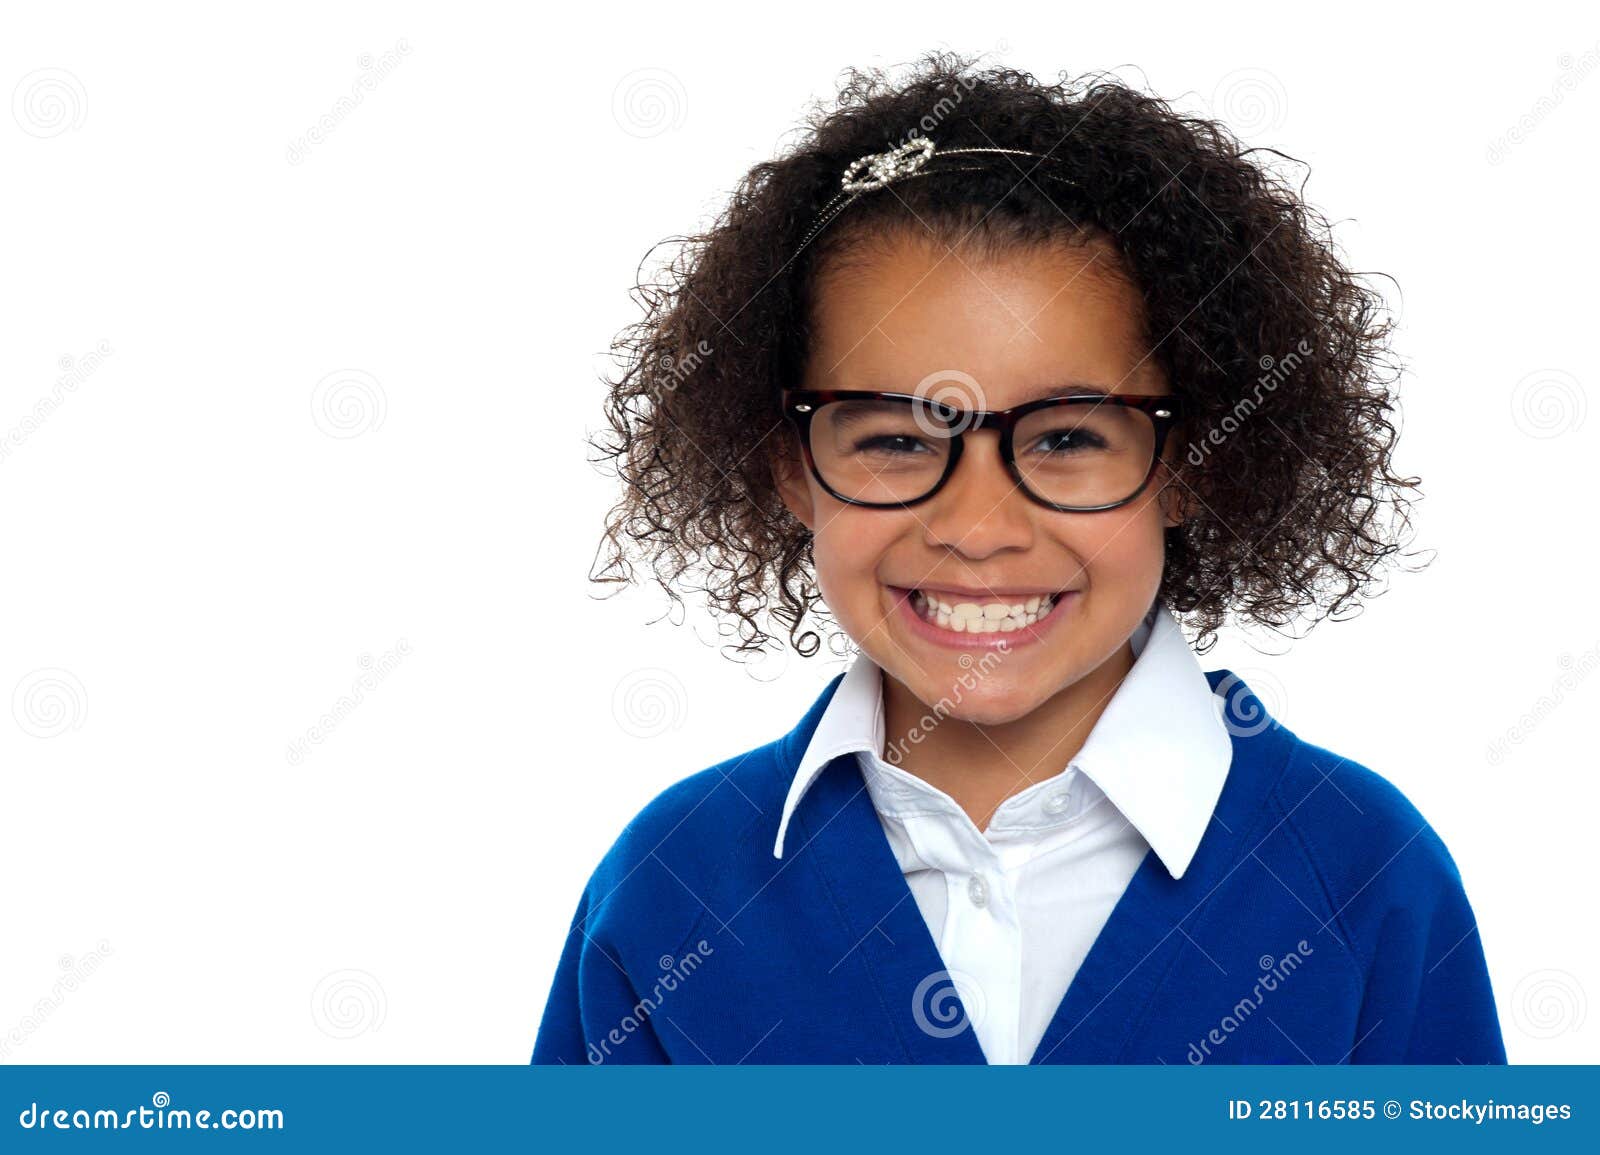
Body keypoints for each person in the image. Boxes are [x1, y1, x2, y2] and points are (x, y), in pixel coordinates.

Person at [531, 52, 1505, 1065]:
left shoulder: (1362, 876)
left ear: (1189, 463)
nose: (978, 525)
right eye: (897, 439)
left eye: (1067, 437)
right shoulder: (674, 887)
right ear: (791, 467)